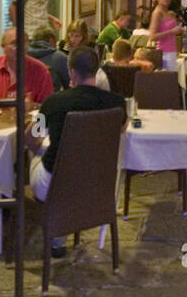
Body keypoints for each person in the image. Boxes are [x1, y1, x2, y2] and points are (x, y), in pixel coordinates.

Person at [25, 46, 127, 257]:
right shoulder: (117, 103)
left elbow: (32, 136)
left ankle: (55, 234)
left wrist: (39, 148)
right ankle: (63, 230)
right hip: (97, 186)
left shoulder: (54, 102)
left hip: (56, 186)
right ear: (96, 70)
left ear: (72, 72)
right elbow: (121, 131)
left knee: (38, 154)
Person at [0, 27, 54, 103]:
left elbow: (48, 108)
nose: (20, 47)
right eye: (15, 43)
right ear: (3, 46)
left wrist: (33, 106)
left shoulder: (40, 71)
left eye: (24, 43)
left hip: (27, 120)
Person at [148, 0, 181, 71]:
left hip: (172, 50)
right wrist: (172, 31)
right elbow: (152, 36)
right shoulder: (157, 13)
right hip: (164, 52)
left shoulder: (168, 12)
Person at [29, 25, 70, 91]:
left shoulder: (23, 56)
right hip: (52, 99)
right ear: (51, 40)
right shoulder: (60, 57)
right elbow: (69, 85)